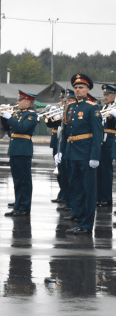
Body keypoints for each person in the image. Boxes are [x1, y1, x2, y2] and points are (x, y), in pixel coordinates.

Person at [58, 73, 103, 236]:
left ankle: (86, 224)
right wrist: (62, 152)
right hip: (72, 153)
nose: (78, 90)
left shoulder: (92, 108)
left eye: (81, 87)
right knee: (76, 187)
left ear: (87, 89)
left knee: (88, 190)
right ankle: (78, 217)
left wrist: (95, 156)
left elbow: (97, 134)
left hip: (86, 154)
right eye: (76, 87)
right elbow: (66, 133)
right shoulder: (71, 108)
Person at [0, 91, 39, 216]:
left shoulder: (31, 115)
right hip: (14, 148)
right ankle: (17, 206)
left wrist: (10, 118)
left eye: (20, 100)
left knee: (24, 181)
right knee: (17, 180)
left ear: (27, 102)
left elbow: (22, 128)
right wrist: (4, 117)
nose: (18, 102)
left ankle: (24, 207)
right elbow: (8, 129)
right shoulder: (18, 114)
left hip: (23, 150)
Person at [99, 83, 116, 207]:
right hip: (103, 139)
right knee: (101, 169)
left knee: (106, 170)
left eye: (108, 94)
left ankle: (107, 198)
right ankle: (101, 196)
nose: (105, 96)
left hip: (111, 139)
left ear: (114, 95)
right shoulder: (105, 106)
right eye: (105, 94)